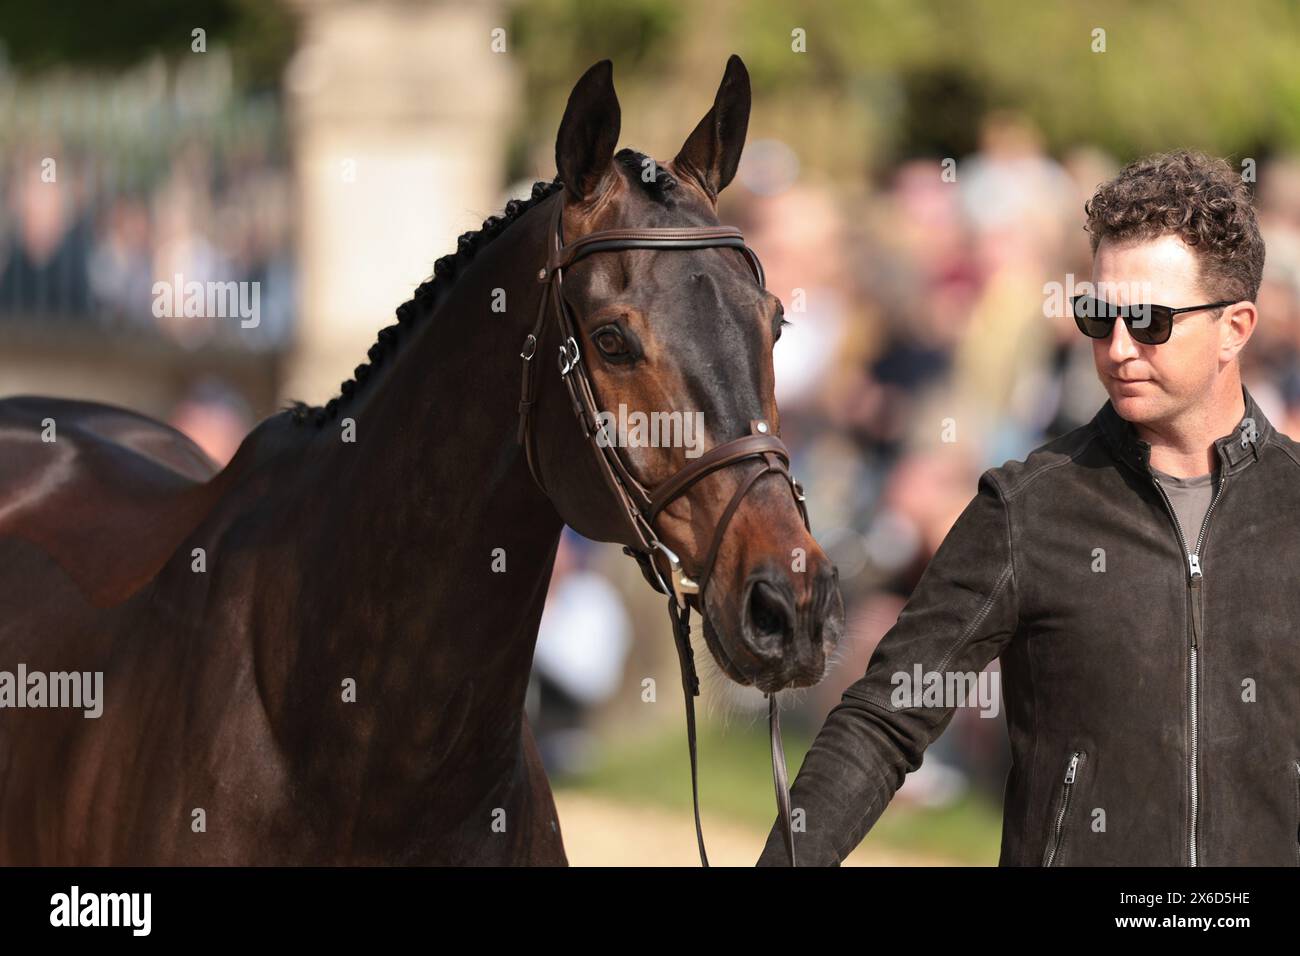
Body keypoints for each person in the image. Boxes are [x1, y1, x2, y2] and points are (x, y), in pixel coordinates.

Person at [758, 149, 1299, 866]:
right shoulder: (1026, 507)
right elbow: (885, 719)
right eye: (1098, 316)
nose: (1118, 347)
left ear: (1236, 326)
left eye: (1149, 321)